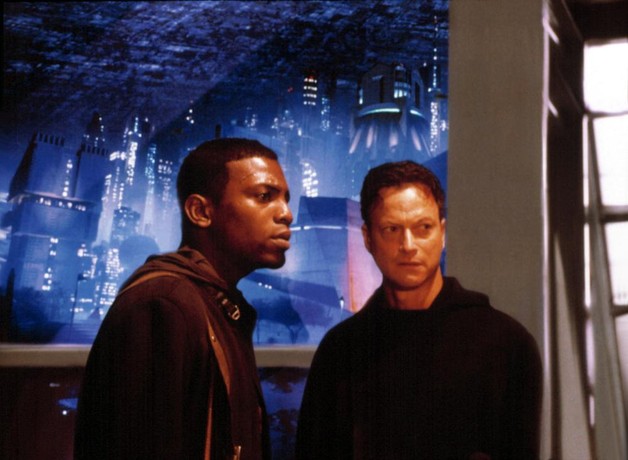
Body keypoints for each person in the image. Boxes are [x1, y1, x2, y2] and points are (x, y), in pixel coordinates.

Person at [296, 160, 542, 460]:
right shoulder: (341, 350)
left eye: (423, 228)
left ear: (442, 233)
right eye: (391, 229)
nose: (408, 245)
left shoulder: (506, 344)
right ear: (368, 239)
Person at [75, 138, 293, 460]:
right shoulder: (163, 305)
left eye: (286, 199)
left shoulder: (215, 303)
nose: (286, 214)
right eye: (264, 196)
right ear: (200, 211)